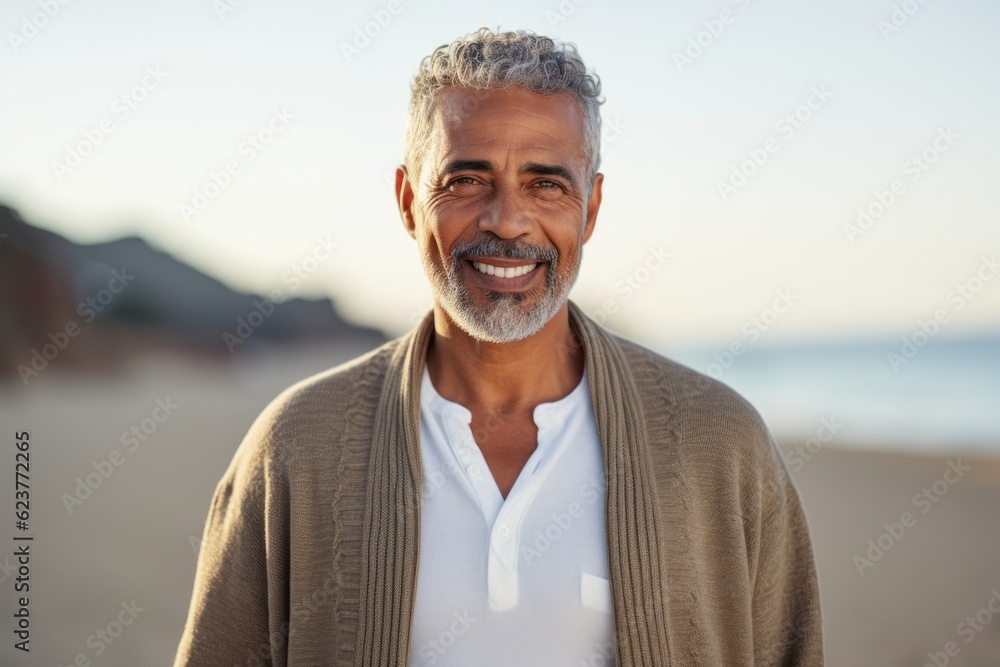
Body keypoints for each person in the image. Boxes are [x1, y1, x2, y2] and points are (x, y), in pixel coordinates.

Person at [173, 27, 824, 666]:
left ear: (591, 209)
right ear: (408, 201)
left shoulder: (719, 442)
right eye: (465, 180)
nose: (507, 221)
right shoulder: (297, 444)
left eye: (547, 184)